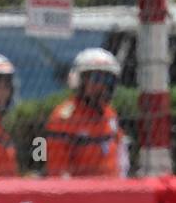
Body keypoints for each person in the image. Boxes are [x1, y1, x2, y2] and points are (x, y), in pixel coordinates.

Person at [44, 47, 128, 178]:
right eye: (95, 78)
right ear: (79, 80)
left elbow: (121, 157)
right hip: (81, 194)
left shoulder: (110, 114)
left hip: (113, 190)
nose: (101, 86)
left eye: (107, 79)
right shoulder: (63, 118)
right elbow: (58, 172)